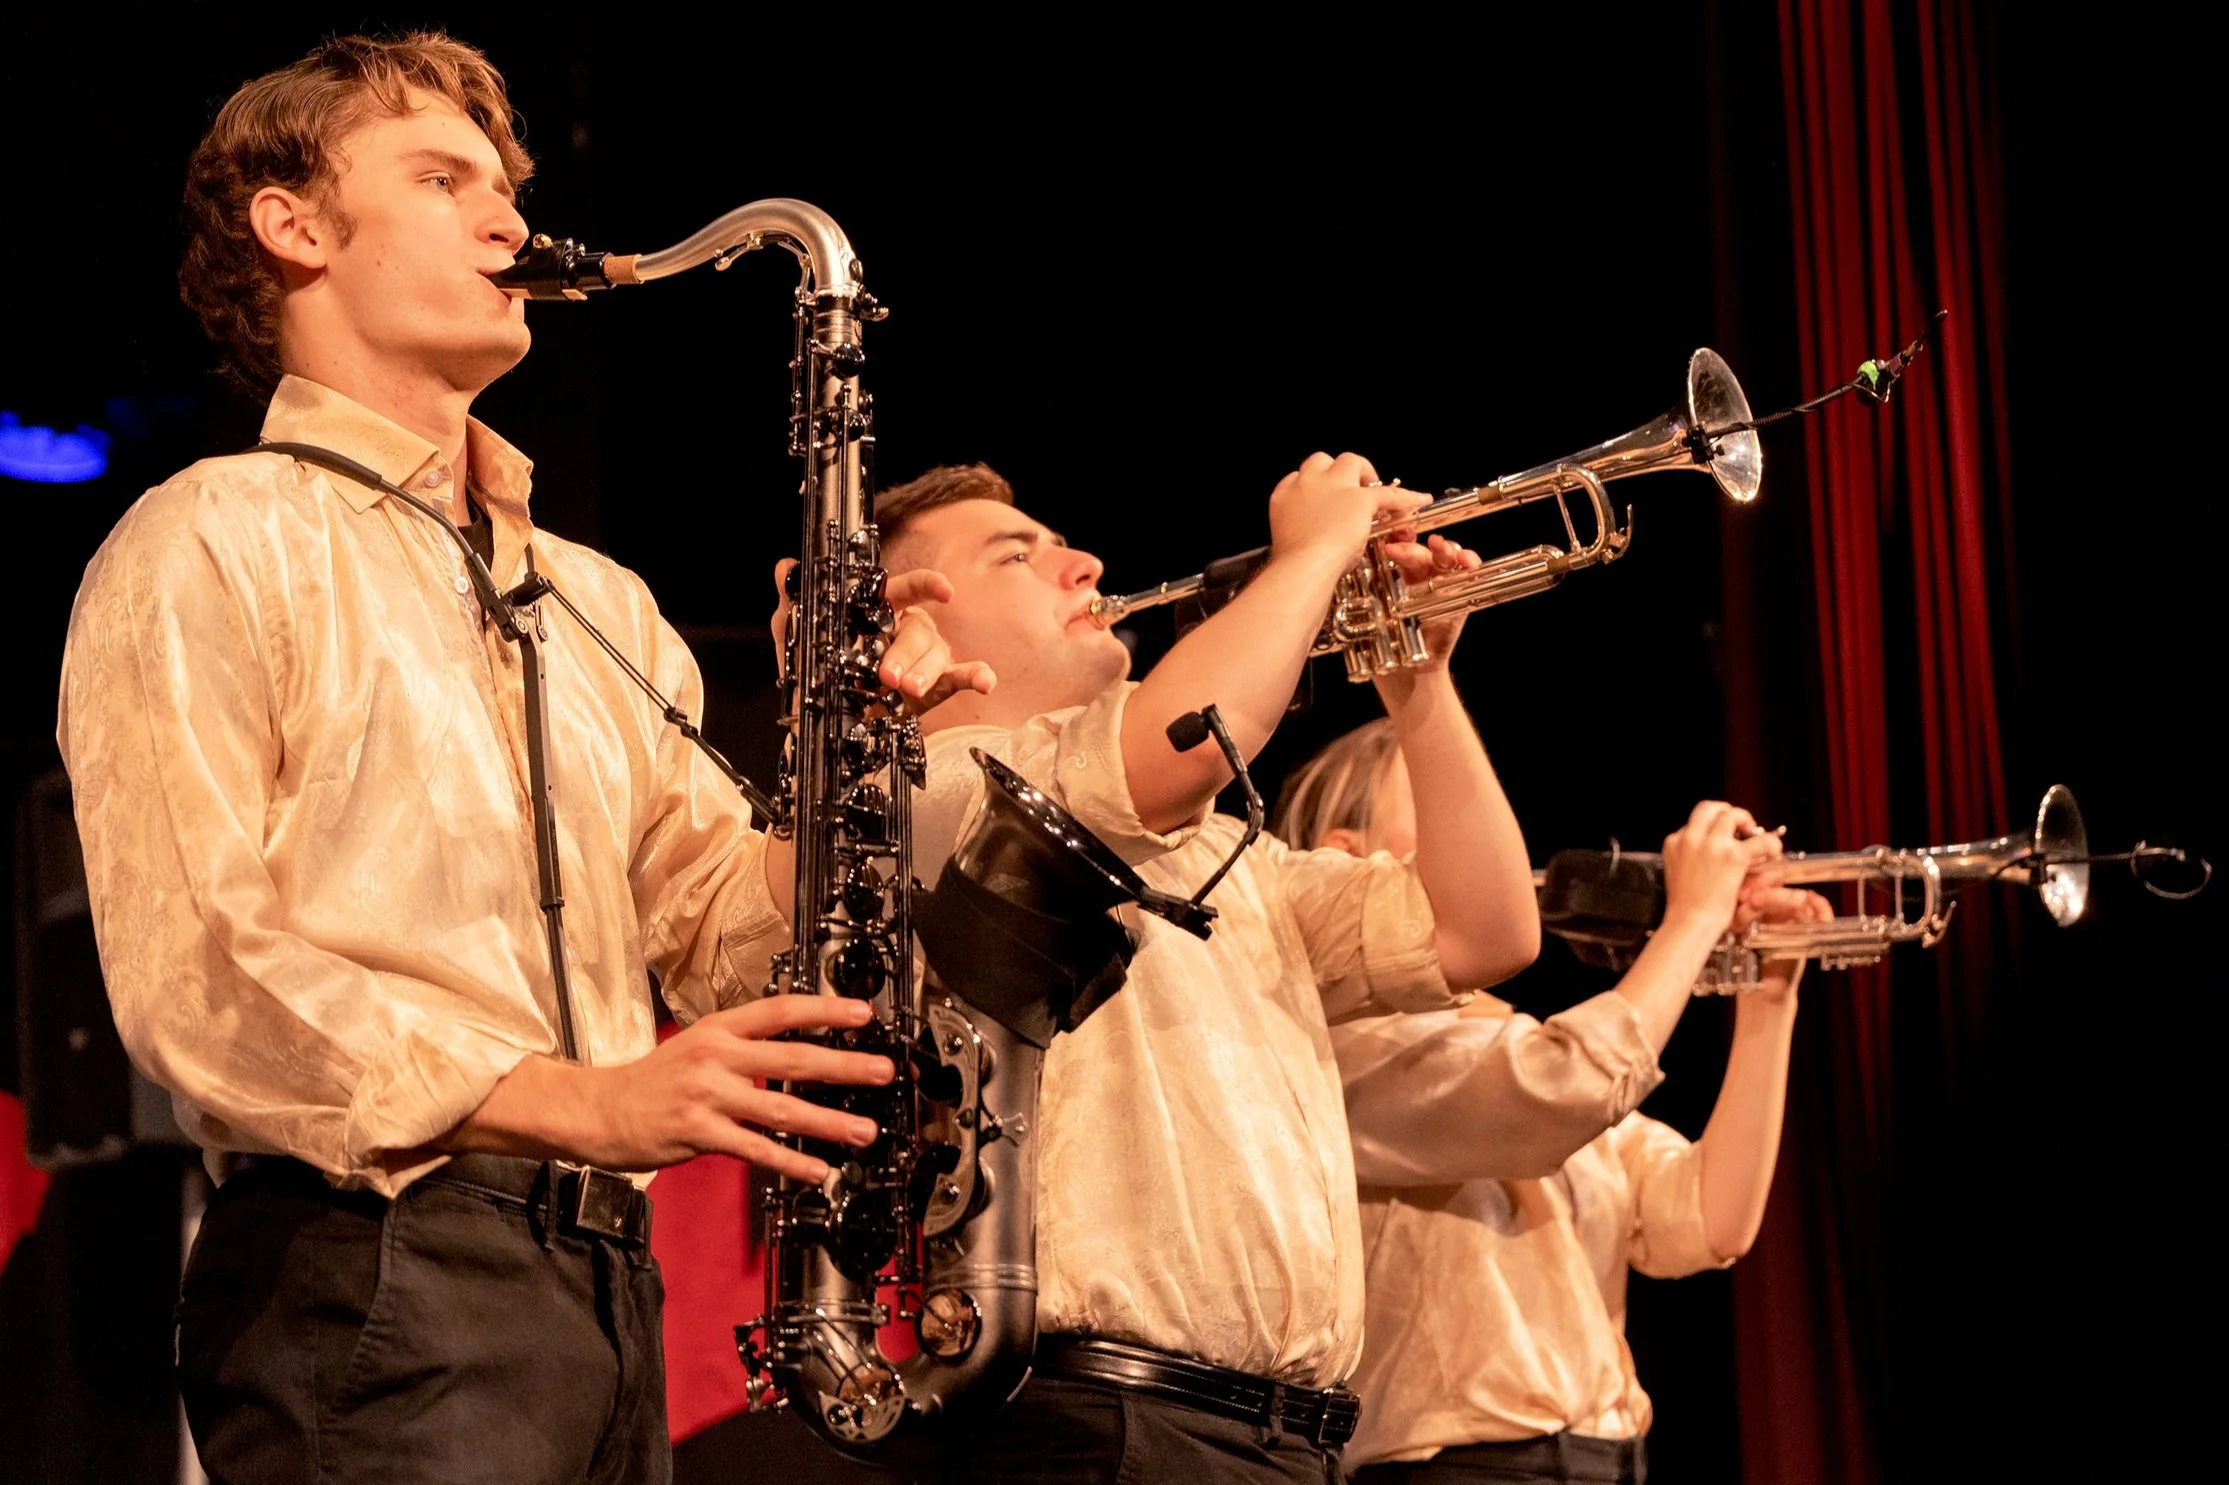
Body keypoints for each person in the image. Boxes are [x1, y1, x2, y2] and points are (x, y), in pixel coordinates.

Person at [55, 33, 986, 1485]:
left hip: (606, 1283)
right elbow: (205, 977)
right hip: (371, 1262)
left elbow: (721, 936)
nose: (509, 221)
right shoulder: (209, 536)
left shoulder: (599, 600)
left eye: (508, 186)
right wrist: (585, 1100)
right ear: (293, 228)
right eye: (444, 180)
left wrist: (864, 752)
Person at [780, 459, 1542, 1483]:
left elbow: (1484, 931)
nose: (1084, 564)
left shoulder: (1221, 850)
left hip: (1282, 1435)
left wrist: (1418, 682)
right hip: (1104, 1422)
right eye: (1019, 553)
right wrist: (1315, 549)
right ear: (916, 619)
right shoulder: (916, 797)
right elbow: (1178, 749)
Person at [1278, 719, 1826, 1485]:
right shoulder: (1346, 1046)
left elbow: (1710, 1219)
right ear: (1345, 857)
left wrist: (1770, 997)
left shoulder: (1510, 1037)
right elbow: (1566, 1081)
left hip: (1609, 1463)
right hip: (1465, 1471)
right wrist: (1694, 918)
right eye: (1443, 803)